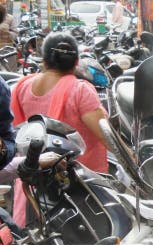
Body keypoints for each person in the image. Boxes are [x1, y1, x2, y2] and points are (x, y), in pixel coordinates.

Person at [10, 32, 108, 225]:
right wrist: (133, 161)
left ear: (44, 61)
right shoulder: (81, 90)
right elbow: (107, 137)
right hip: (77, 193)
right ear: (76, 61)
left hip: (33, 186)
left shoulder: (22, 86)